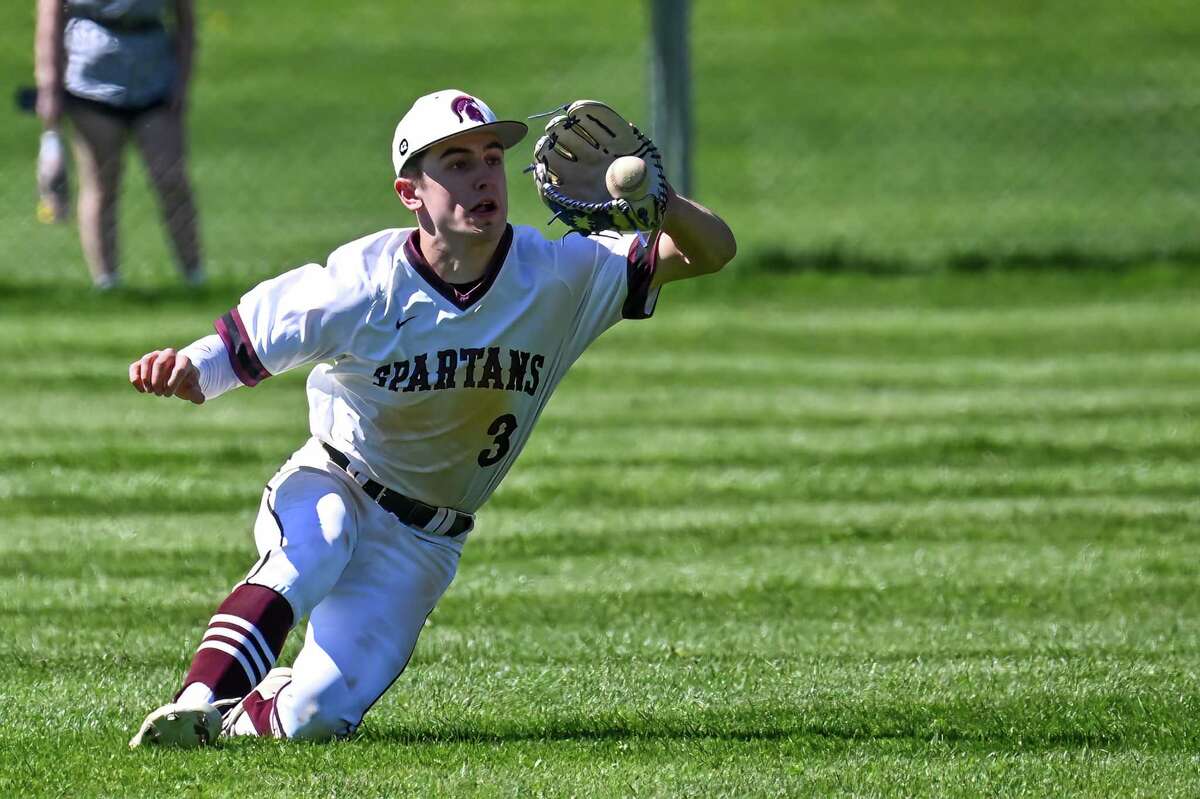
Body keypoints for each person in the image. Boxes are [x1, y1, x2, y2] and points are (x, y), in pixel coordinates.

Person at [126, 90, 736, 746]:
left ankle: (242, 717)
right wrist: (189, 368)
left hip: (423, 543)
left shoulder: (562, 275)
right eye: (455, 161)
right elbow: (243, 341)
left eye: (492, 157)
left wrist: (664, 201)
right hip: (337, 479)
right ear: (410, 191)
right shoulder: (361, 281)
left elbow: (714, 251)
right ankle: (197, 698)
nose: (482, 175)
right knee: (315, 545)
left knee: (316, 718)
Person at [35, 0, 203, 289]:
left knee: (172, 179)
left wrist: (182, 82)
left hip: (155, 83)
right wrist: (49, 86)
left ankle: (196, 279)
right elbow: (50, 17)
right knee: (101, 184)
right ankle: (107, 282)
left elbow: (185, 21)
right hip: (90, 83)